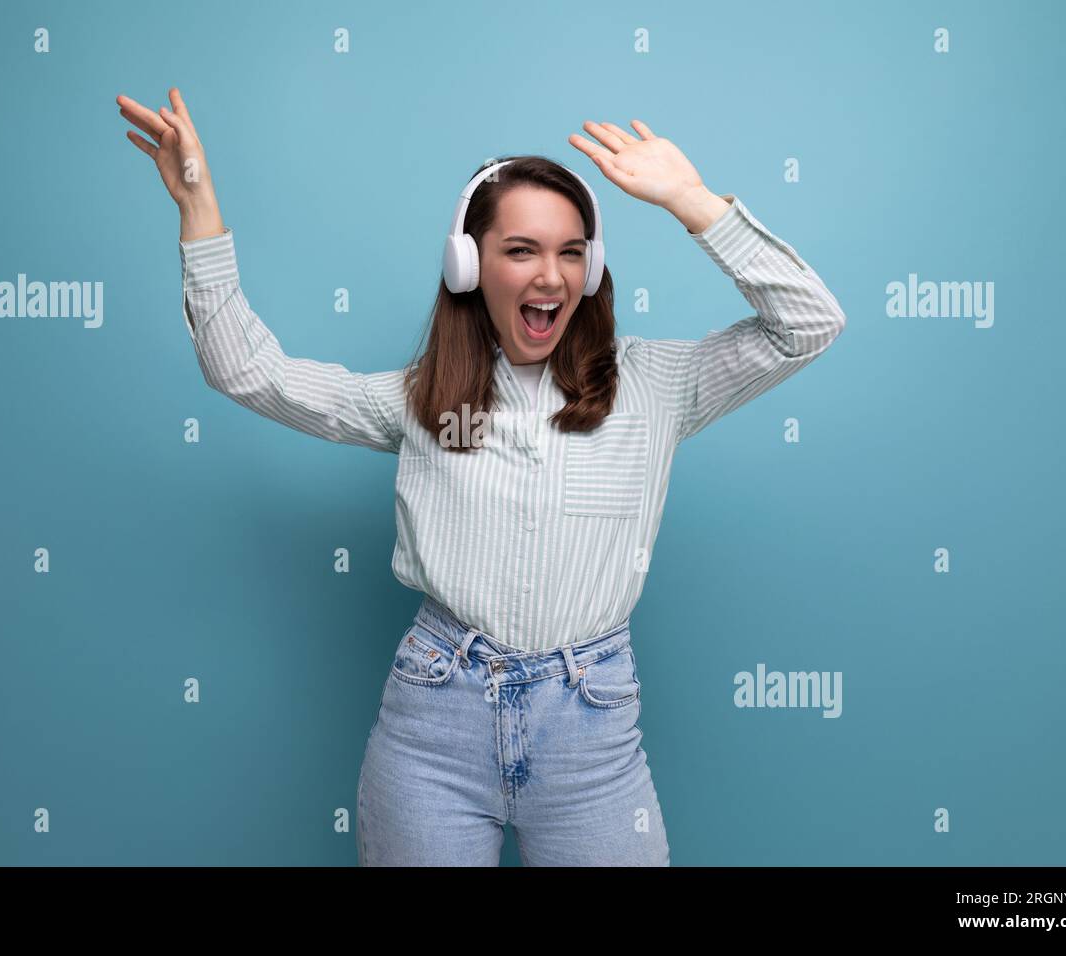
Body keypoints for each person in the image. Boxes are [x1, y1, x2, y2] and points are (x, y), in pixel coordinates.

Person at [116, 88, 847, 866]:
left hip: (590, 733)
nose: (552, 275)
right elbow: (247, 370)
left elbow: (808, 322)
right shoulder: (418, 399)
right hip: (433, 727)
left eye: (572, 252)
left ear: (593, 268)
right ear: (469, 265)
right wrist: (199, 208)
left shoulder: (658, 387)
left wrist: (691, 200)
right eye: (522, 250)